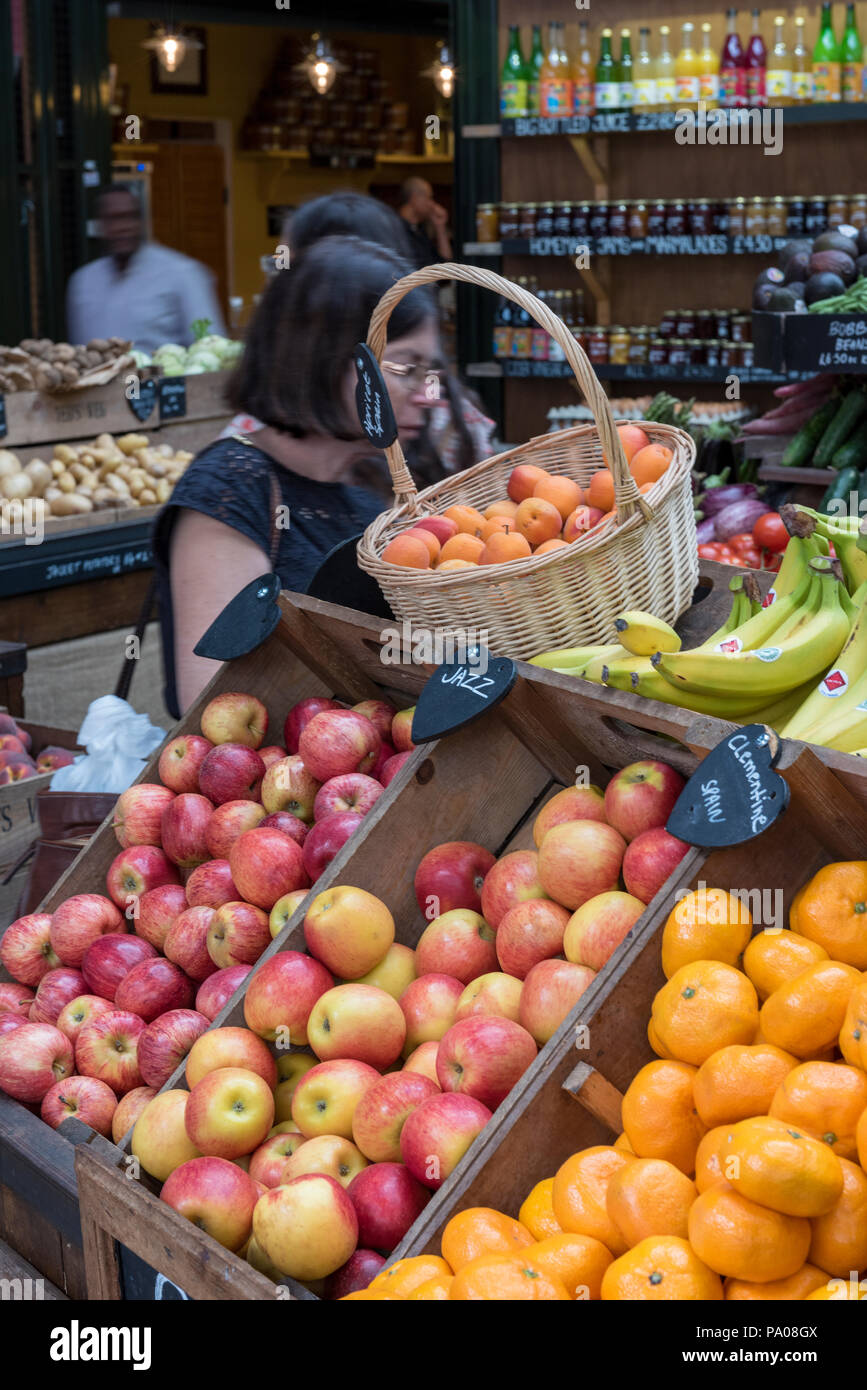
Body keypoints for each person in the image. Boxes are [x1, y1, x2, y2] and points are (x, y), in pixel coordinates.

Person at [152, 236, 439, 717]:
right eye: (407, 368)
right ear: (329, 359)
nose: (427, 395)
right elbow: (217, 709)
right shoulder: (230, 491)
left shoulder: (372, 485)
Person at [66, 185, 225, 353]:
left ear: (141, 222)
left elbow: (211, 351)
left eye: (128, 217)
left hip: (159, 378)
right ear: (100, 225)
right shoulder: (83, 282)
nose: (121, 227)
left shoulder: (183, 275)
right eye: (112, 219)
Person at [397, 177, 453, 267]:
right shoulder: (395, 228)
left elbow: (445, 264)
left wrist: (440, 226)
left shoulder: (419, 230)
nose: (432, 204)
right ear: (414, 198)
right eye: (429, 198)